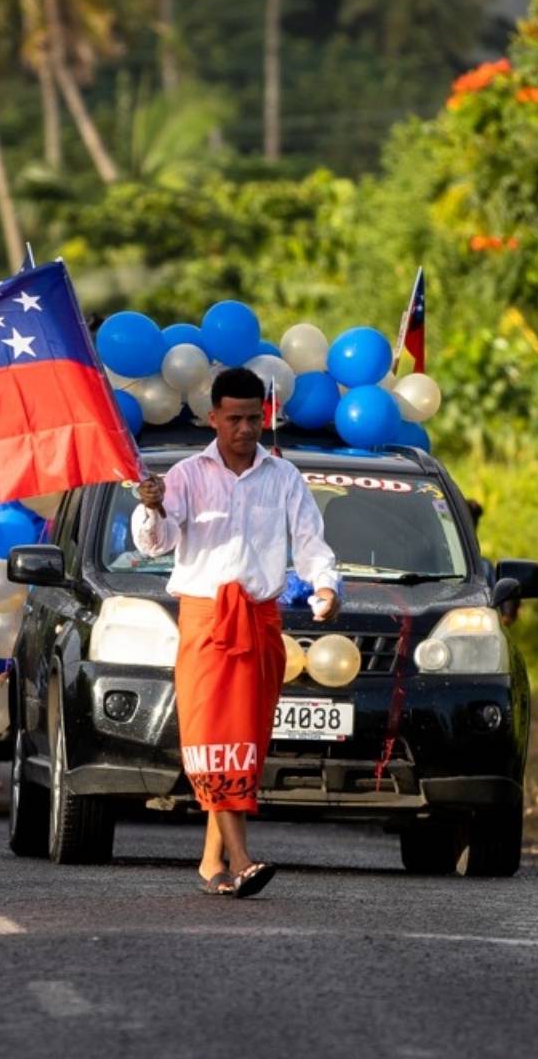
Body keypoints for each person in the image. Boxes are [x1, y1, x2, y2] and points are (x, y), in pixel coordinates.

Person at [133, 366, 342, 898]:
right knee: (211, 741)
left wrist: (327, 587)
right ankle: (243, 858)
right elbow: (156, 544)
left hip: (260, 620)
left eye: (255, 418)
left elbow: (311, 543)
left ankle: (211, 864)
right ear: (214, 418)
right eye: (235, 419)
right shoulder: (184, 475)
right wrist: (152, 506)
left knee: (241, 747)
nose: (246, 428)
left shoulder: (284, 477)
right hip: (205, 620)